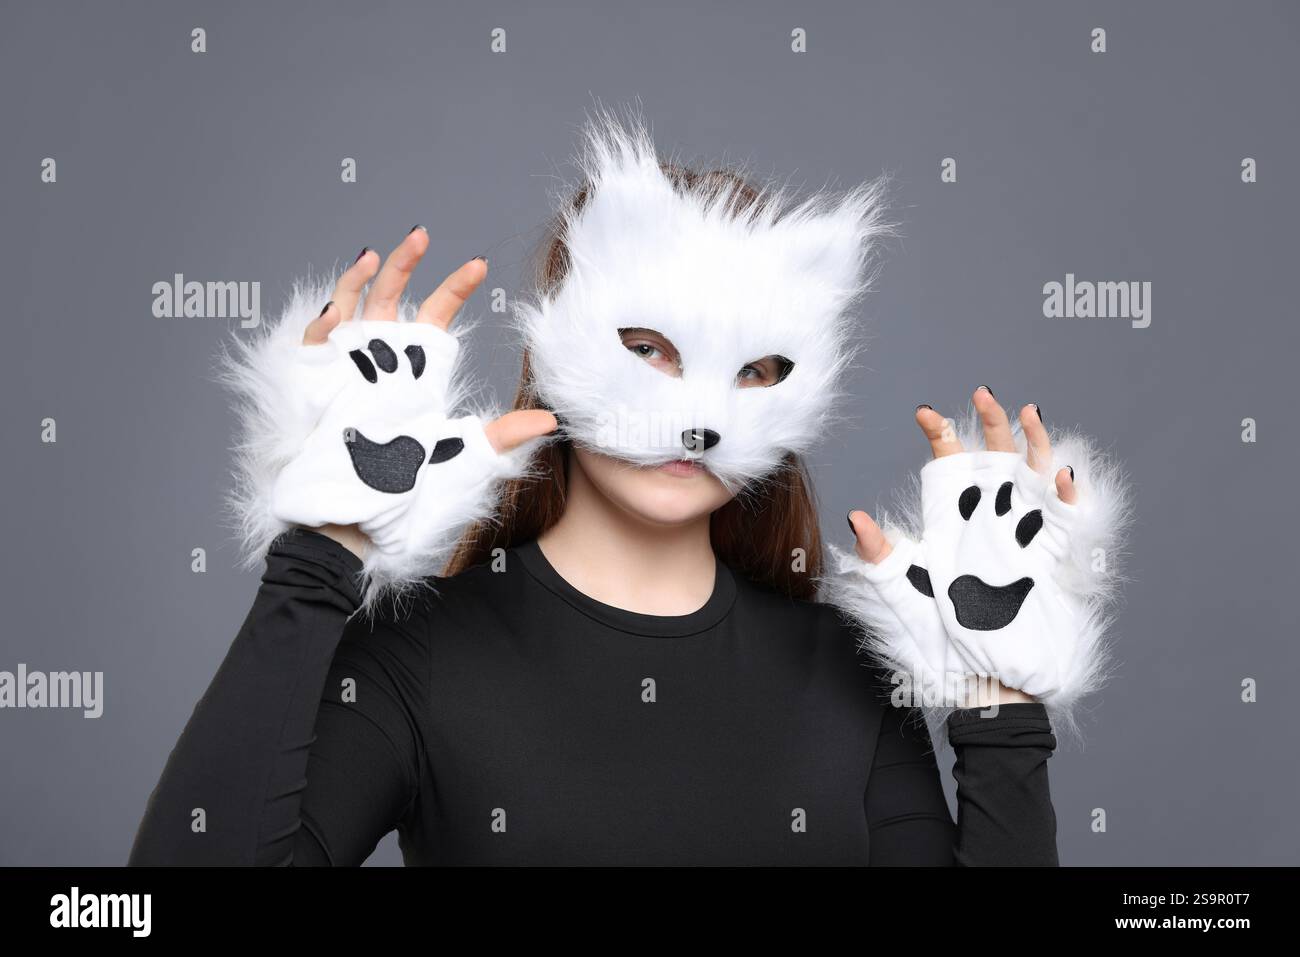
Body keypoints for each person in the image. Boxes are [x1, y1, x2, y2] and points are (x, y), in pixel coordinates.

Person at [128, 114, 1127, 866]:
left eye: (752, 371)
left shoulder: (848, 671)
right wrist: (322, 550)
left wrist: (999, 708)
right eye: (648, 349)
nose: (696, 412)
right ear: (555, 347)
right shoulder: (420, 657)